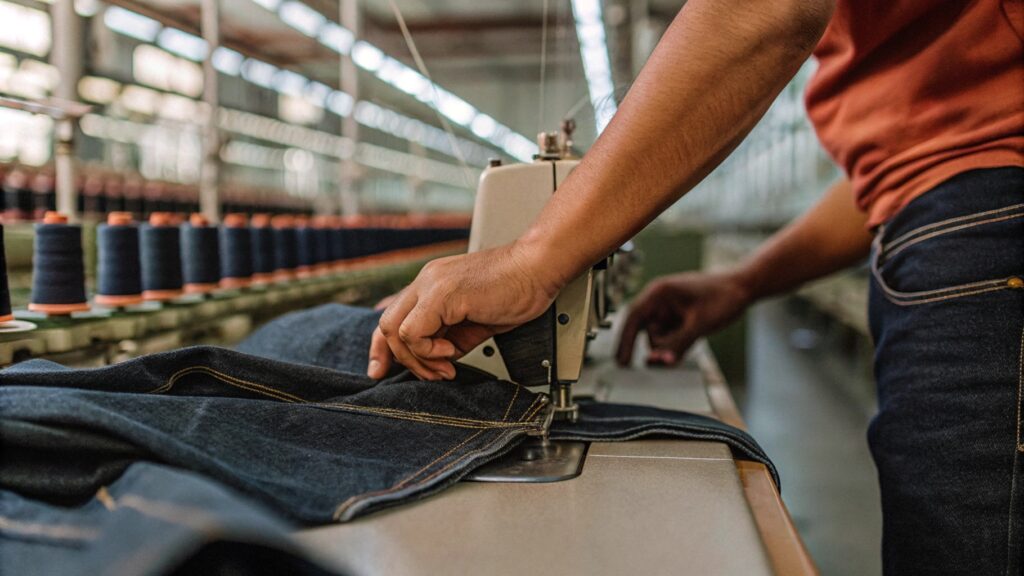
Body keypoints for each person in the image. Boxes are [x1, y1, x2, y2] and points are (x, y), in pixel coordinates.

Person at [367, 0, 1023, 573]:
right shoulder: (951, 87)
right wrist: (742, 283)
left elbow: (765, 11)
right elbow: (900, 178)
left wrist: (533, 262)